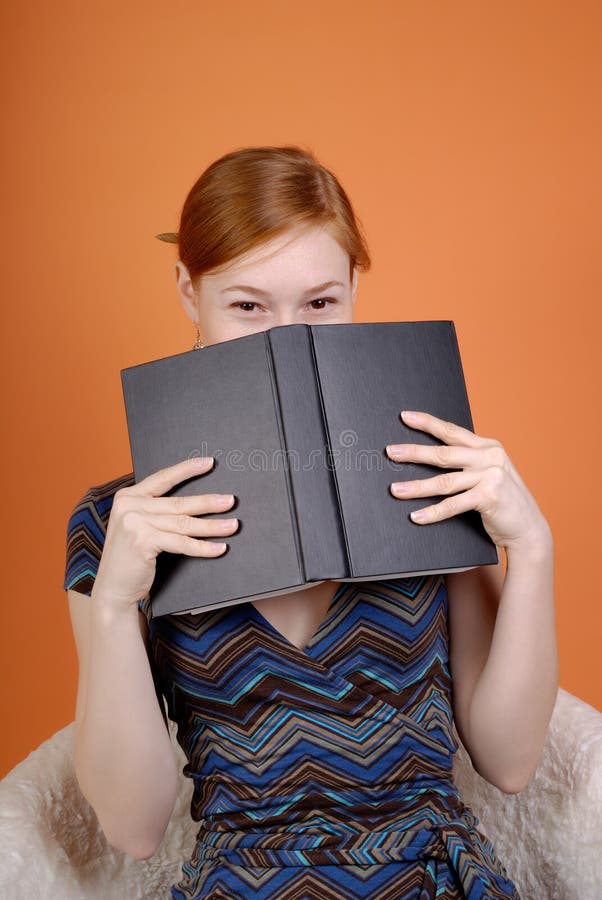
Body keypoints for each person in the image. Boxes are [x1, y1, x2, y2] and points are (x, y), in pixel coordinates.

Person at [63, 145, 557, 899]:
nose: (285, 338)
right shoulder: (117, 523)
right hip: (245, 884)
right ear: (189, 293)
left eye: (320, 303)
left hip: (435, 879)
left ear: (355, 288)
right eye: (248, 305)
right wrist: (111, 607)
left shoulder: (430, 471)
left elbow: (511, 761)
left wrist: (530, 551)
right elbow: (133, 828)